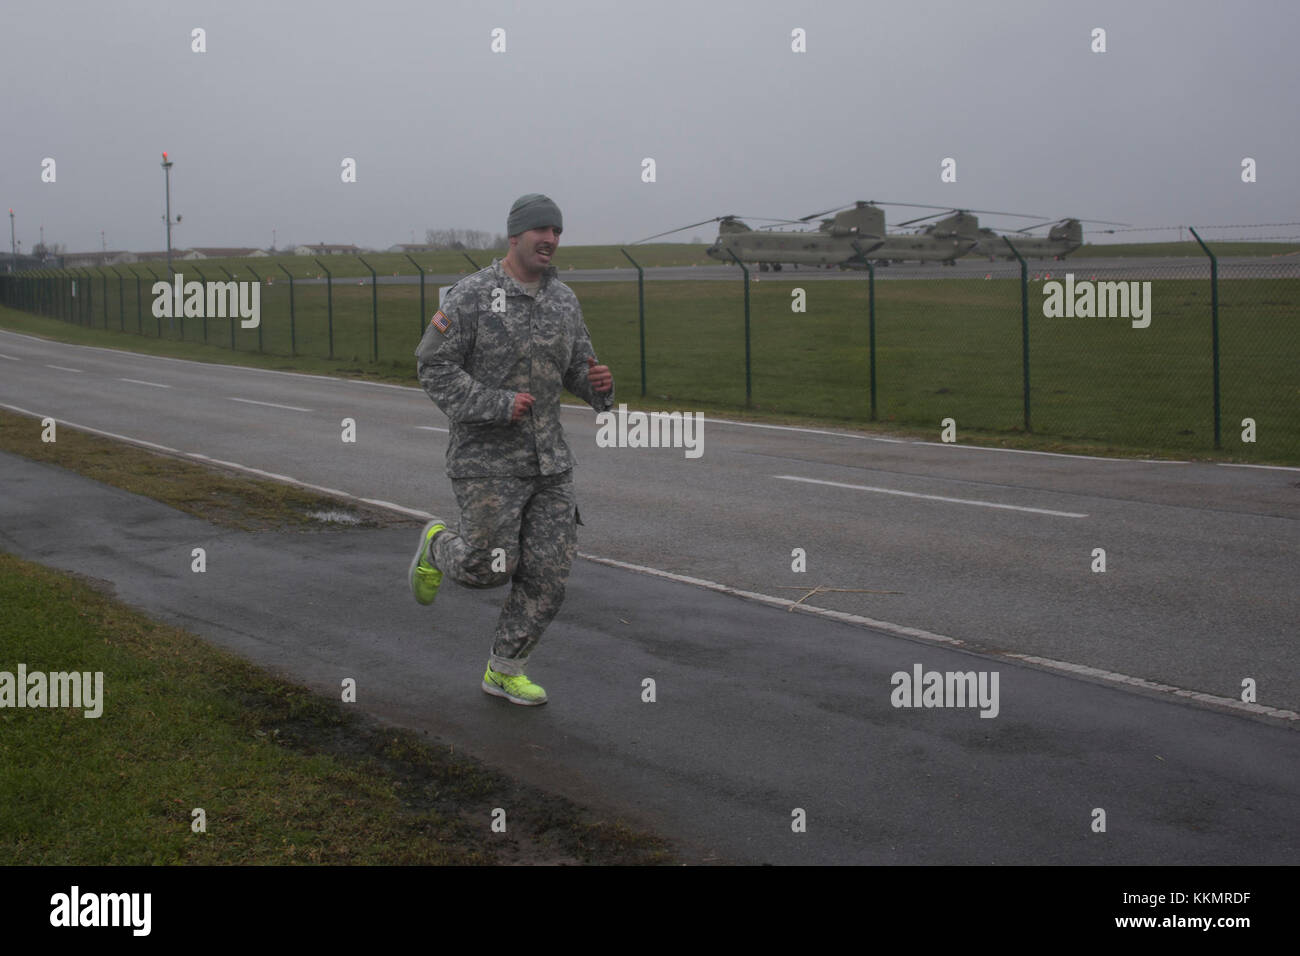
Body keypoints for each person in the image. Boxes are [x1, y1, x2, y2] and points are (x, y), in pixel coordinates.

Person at [408, 193, 614, 706]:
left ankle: (505, 670)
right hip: (486, 462)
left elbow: (577, 368)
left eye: (557, 231)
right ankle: (436, 545)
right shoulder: (471, 296)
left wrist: (600, 388)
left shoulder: (563, 300)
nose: (550, 239)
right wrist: (495, 404)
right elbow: (431, 364)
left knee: (548, 576)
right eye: (541, 230)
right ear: (515, 236)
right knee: (488, 569)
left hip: (550, 464)